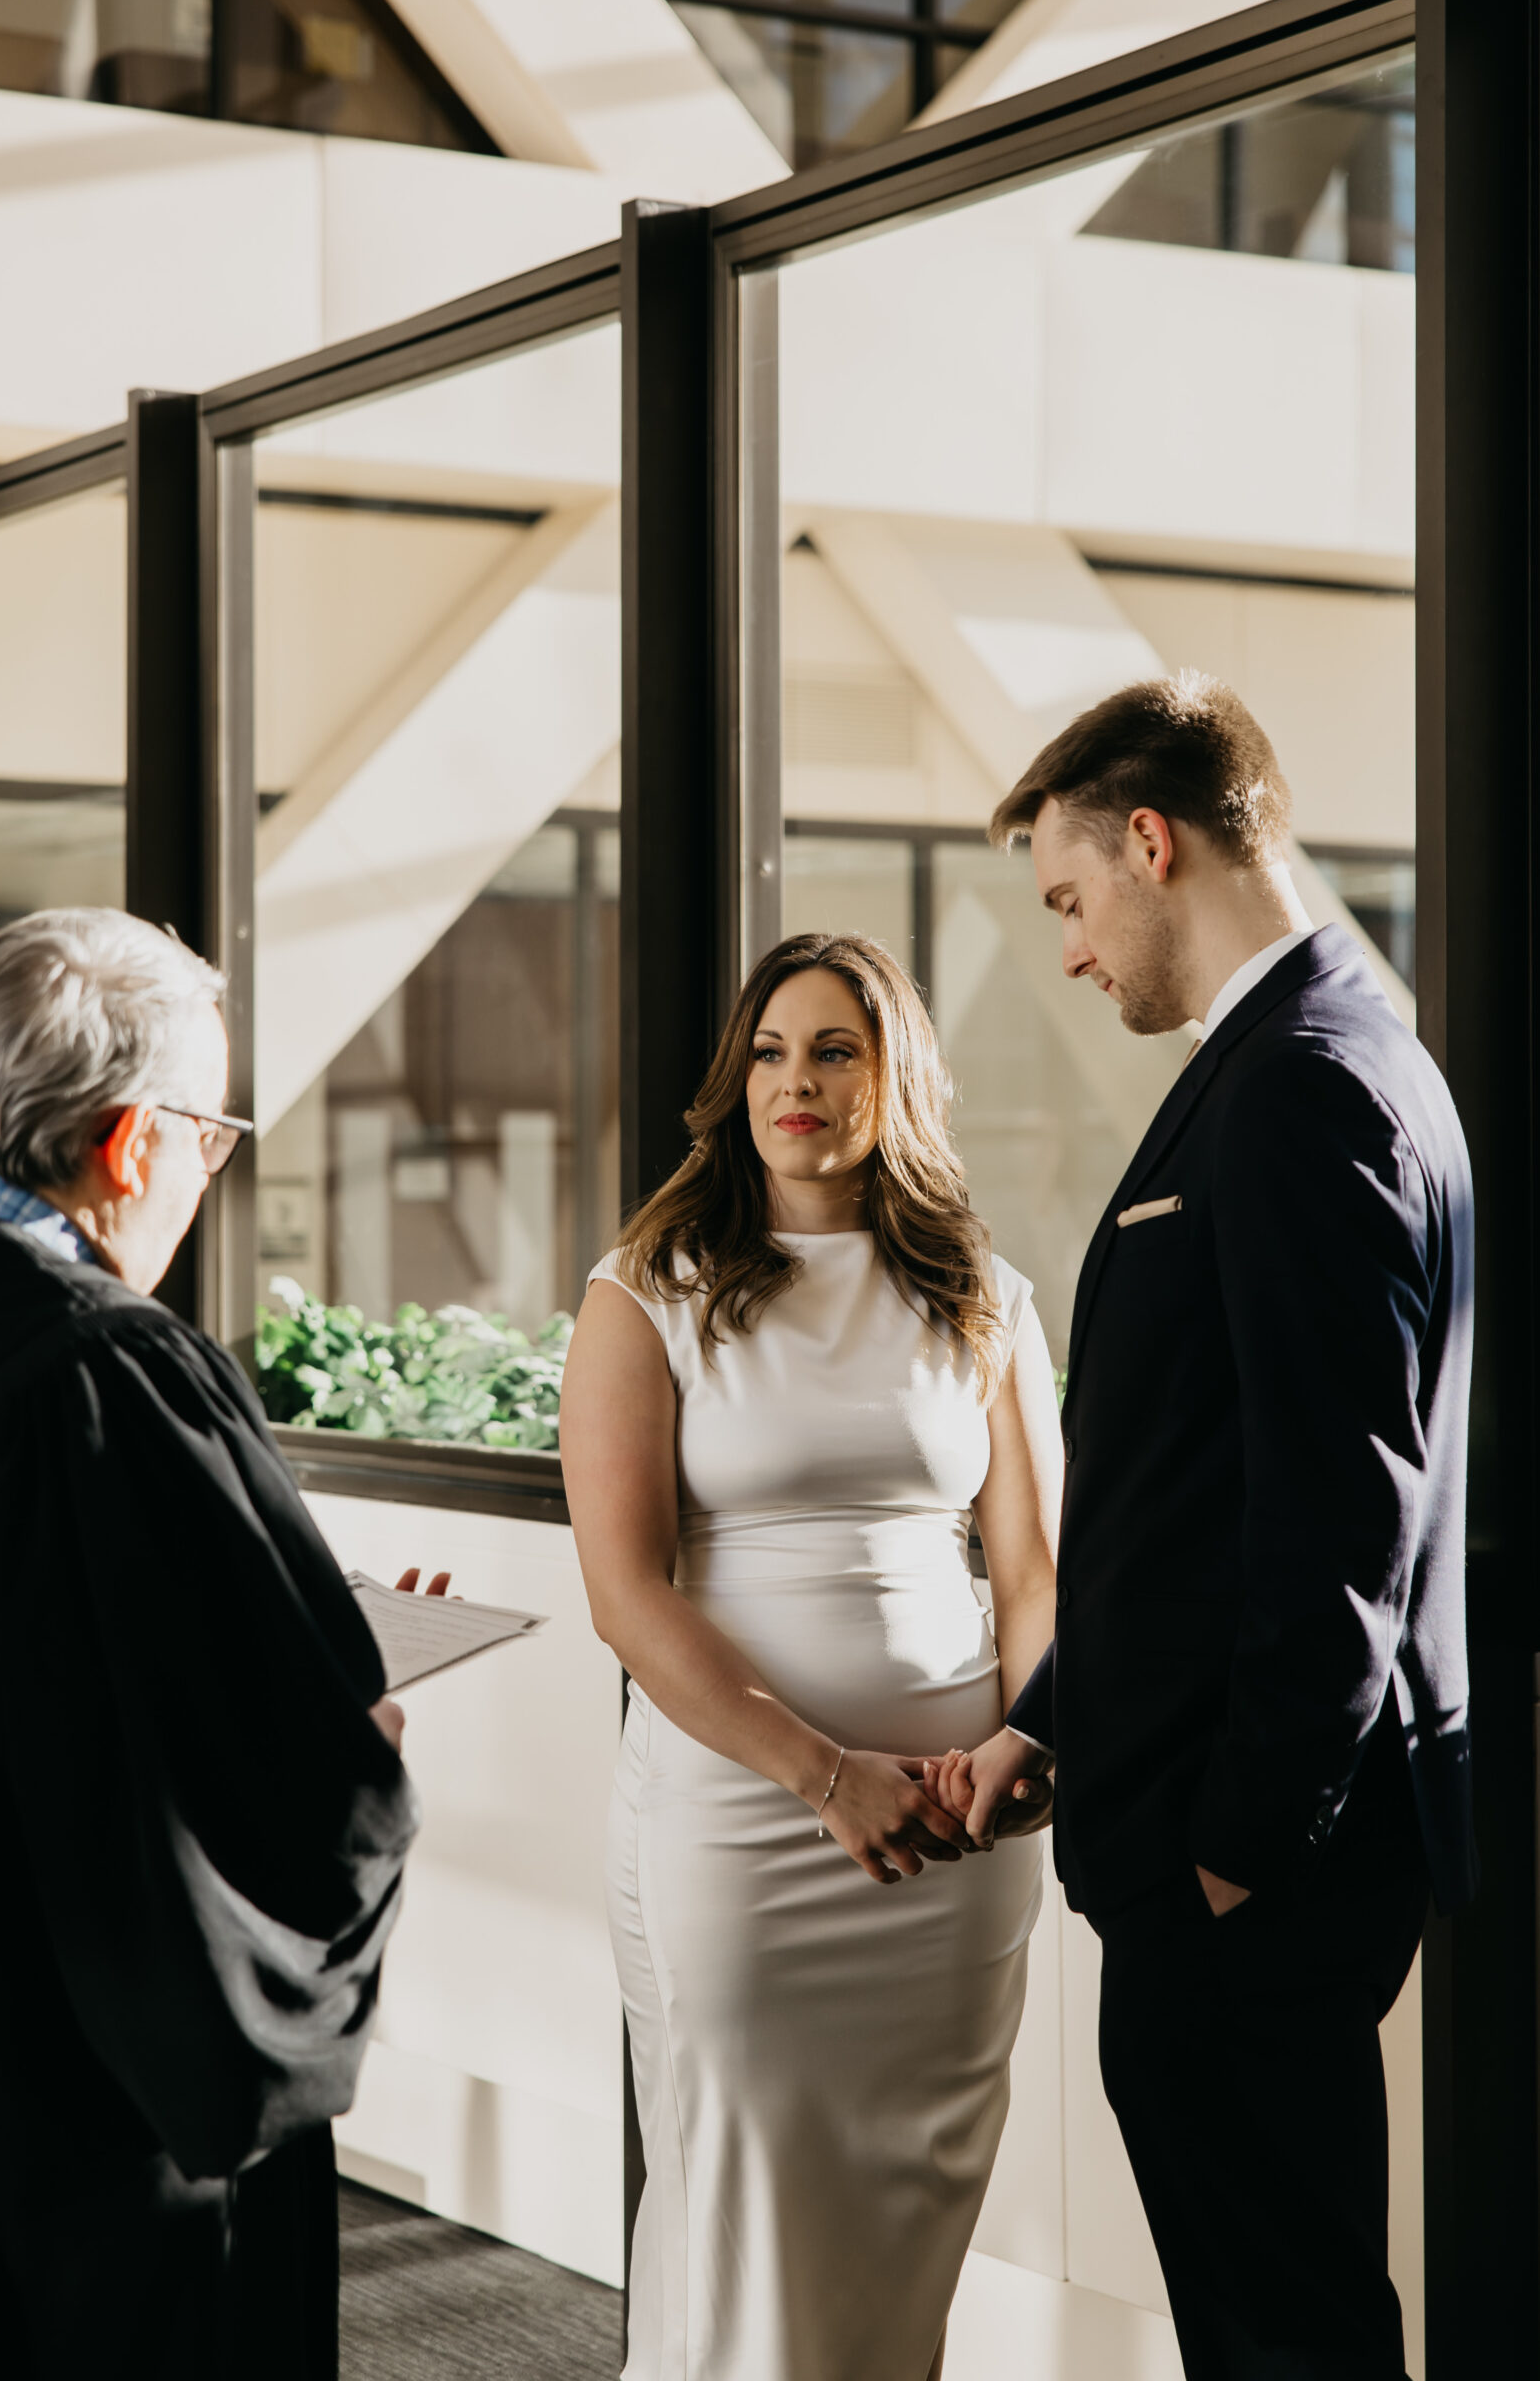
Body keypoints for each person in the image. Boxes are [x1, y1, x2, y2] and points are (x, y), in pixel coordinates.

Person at [946, 674, 1474, 2379]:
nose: (1074, 950)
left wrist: (1233, 1847)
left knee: (1285, 2331)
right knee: (1264, 2312)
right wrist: (1051, 1719)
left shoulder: (1306, 1083)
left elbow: (1337, 1517)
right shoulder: (1308, 1057)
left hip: (1248, 1860)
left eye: (1070, 900)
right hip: (1210, 1825)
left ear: (1150, 843)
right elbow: (1188, 1485)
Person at [0, 909, 419, 2381]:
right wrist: (359, 1728)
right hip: (65, 2111)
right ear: (130, 1141)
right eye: (215, 1138)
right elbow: (264, 1790)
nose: (207, 1179)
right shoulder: (103, 1366)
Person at [560, 932, 1060, 2381]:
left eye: (835, 1048)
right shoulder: (643, 1288)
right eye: (770, 1050)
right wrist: (825, 1771)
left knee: (903, 2216)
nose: (797, 1080)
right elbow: (625, 1593)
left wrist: (1029, 1737)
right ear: (734, 1081)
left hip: (957, 1845)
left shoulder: (983, 1293)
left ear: (892, 1074)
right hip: (738, 1826)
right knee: (741, 2201)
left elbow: (1030, 1574)